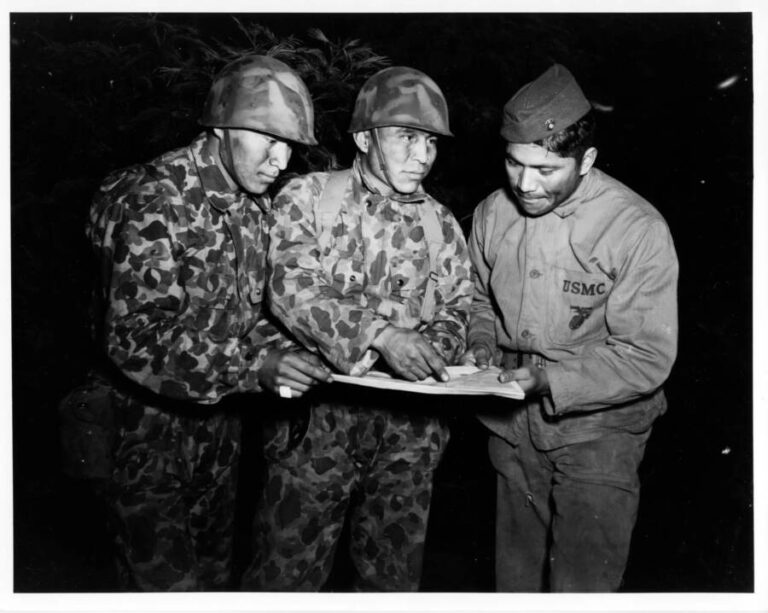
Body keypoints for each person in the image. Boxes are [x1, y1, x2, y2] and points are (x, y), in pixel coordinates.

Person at [86, 55, 332, 591]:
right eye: (266, 137)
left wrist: (299, 353)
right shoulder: (155, 199)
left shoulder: (251, 205)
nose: (280, 159)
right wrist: (257, 367)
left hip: (217, 435)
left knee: (213, 584)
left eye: (289, 144)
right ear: (220, 126)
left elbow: (247, 313)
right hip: (142, 438)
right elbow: (135, 339)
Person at [241, 66, 473, 591]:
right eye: (407, 138)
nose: (423, 155)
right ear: (366, 138)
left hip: (409, 435)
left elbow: (460, 305)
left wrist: (433, 350)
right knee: (285, 577)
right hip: (315, 427)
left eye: (431, 142)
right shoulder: (309, 197)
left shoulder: (442, 223)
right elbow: (290, 286)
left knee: (392, 581)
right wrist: (384, 337)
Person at [462, 64, 678, 592]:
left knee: (580, 588)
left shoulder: (635, 228)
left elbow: (645, 355)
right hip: (512, 434)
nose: (525, 184)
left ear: (586, 161)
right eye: (515, 164)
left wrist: (549, 383)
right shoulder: (492, 214)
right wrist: (480, 344)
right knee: (515, 585)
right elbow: (474, 299)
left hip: (599, 435)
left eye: (546, 170)